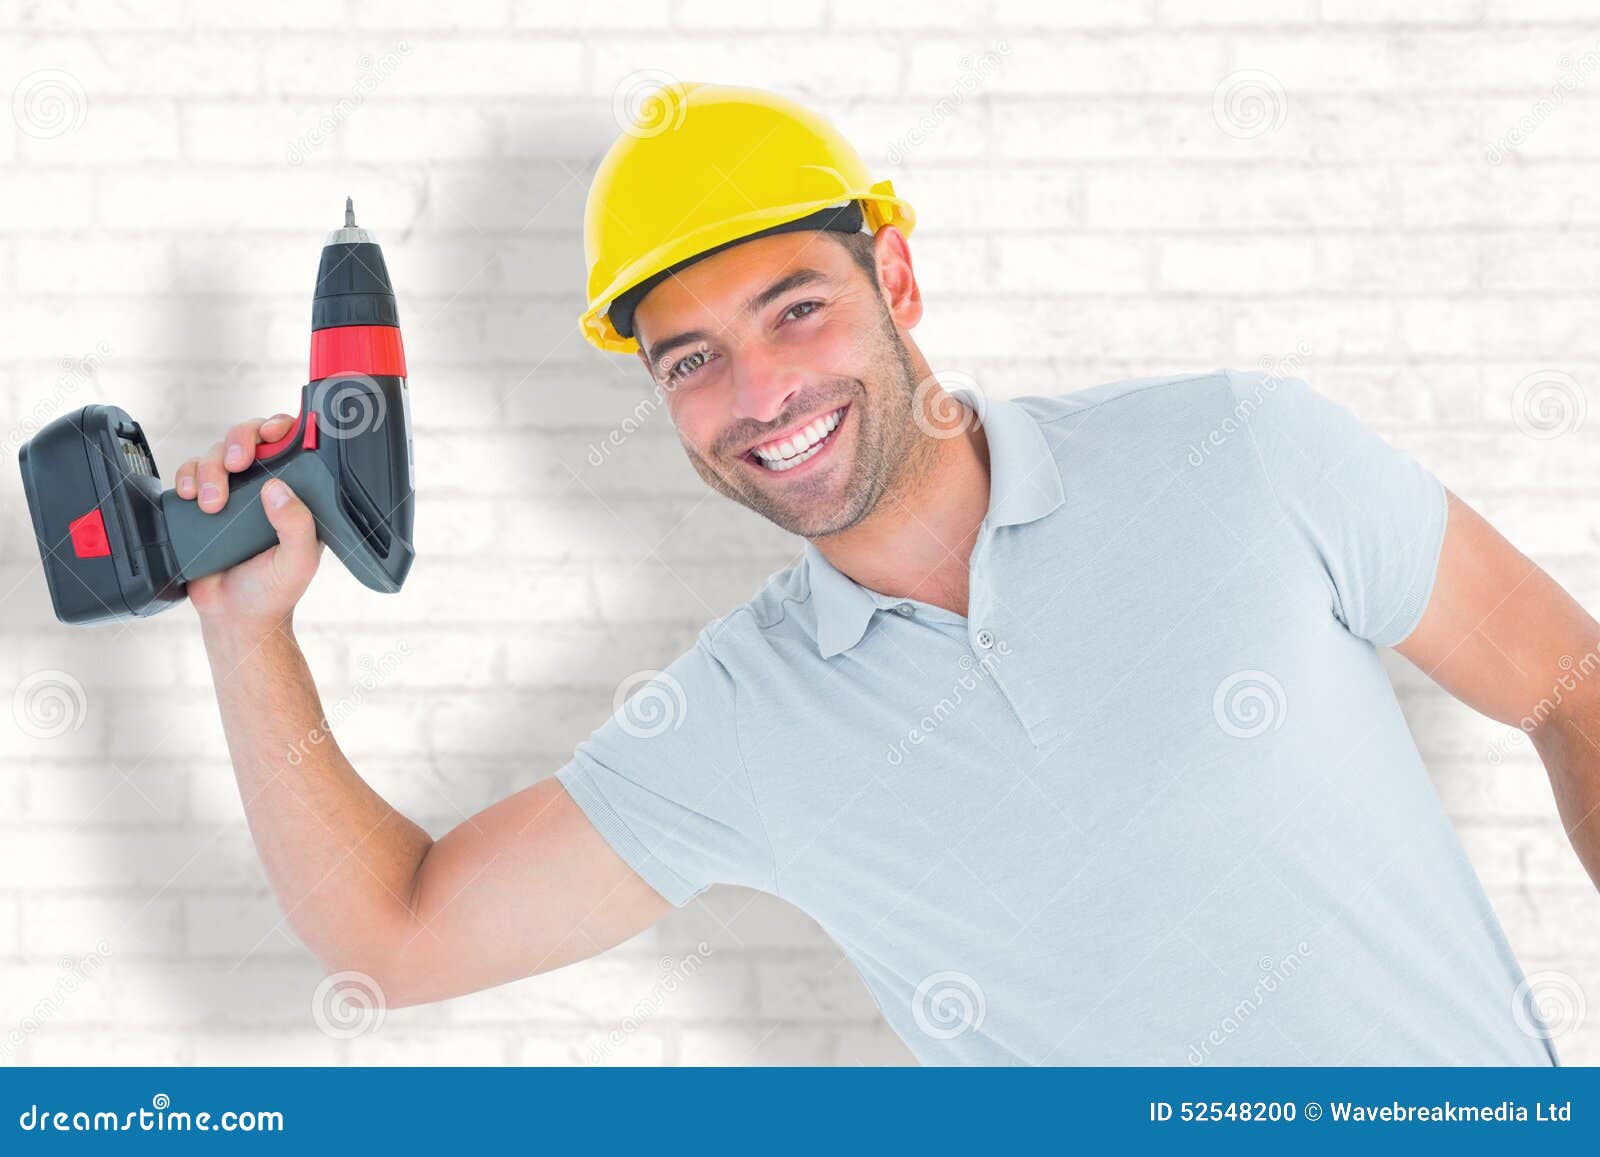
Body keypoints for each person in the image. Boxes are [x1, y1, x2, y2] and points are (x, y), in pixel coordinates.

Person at [181, 84, 1597, 1064]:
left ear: (897, 281)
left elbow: (1565, 675)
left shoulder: (1237, 453)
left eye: (796, 307)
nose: (765, 389)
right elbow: (396, 932)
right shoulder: (743, 720)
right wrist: (251, 635)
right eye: (694, 360)